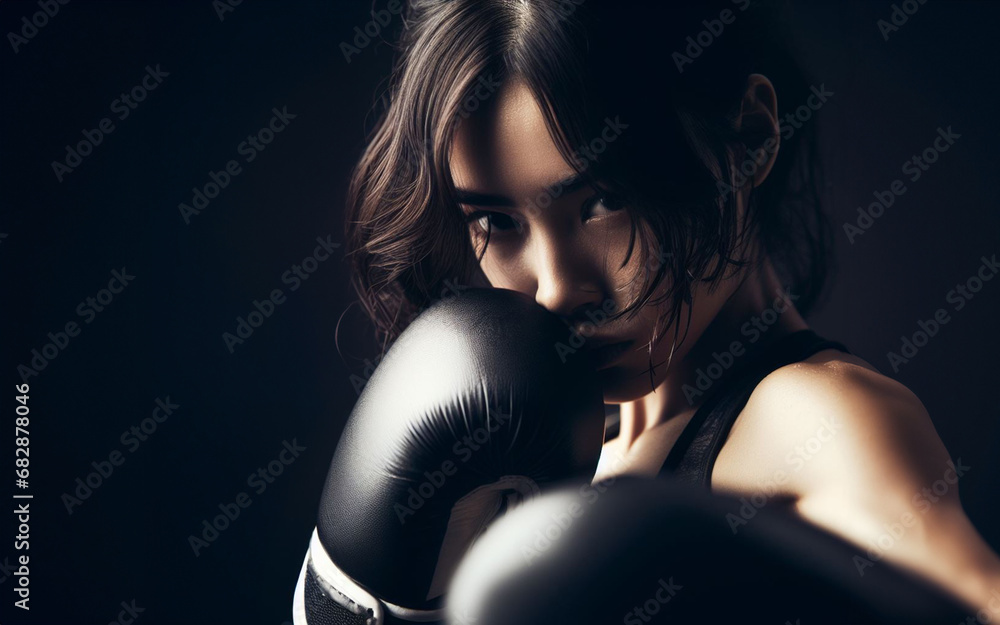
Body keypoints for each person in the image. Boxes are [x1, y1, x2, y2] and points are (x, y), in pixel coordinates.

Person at [344, 0, 1000, 615]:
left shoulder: (818, 421)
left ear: (748, 140)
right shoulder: (529, 453)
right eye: (495, 220)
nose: (556, 287)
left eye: (603, 202)